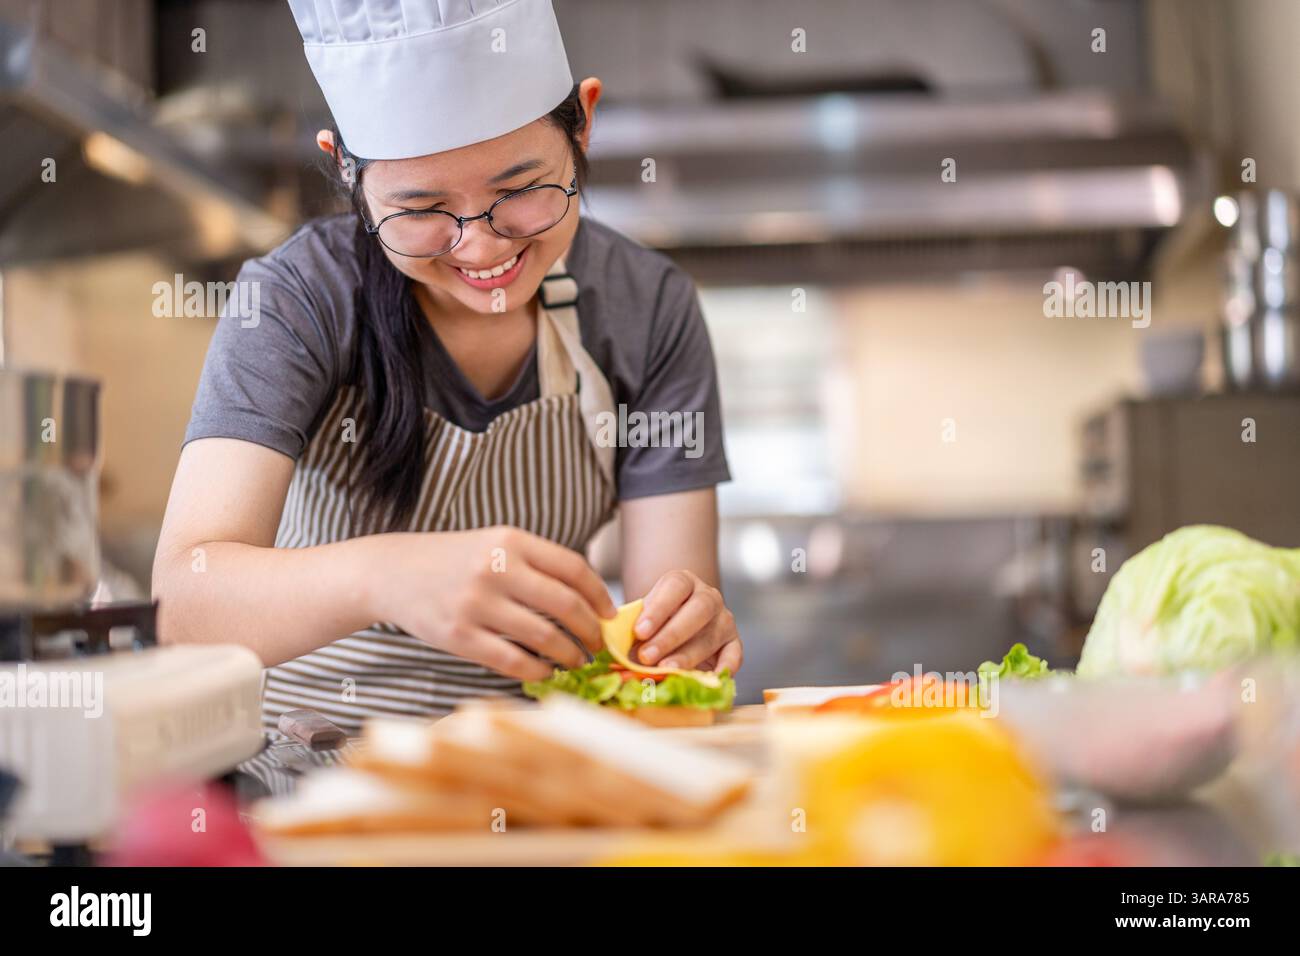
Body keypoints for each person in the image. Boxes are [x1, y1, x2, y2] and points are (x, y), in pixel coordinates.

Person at [152, 0, 741, 733]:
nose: (482, 248)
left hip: (535, 771)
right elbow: (182, 603)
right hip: (300, 779)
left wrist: (681, 637)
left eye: (521, 191)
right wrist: (384, 576)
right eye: (421, 208)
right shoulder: (296, 299)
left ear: (583, 122)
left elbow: (660, 652)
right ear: (346, 171)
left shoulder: (647, 309)